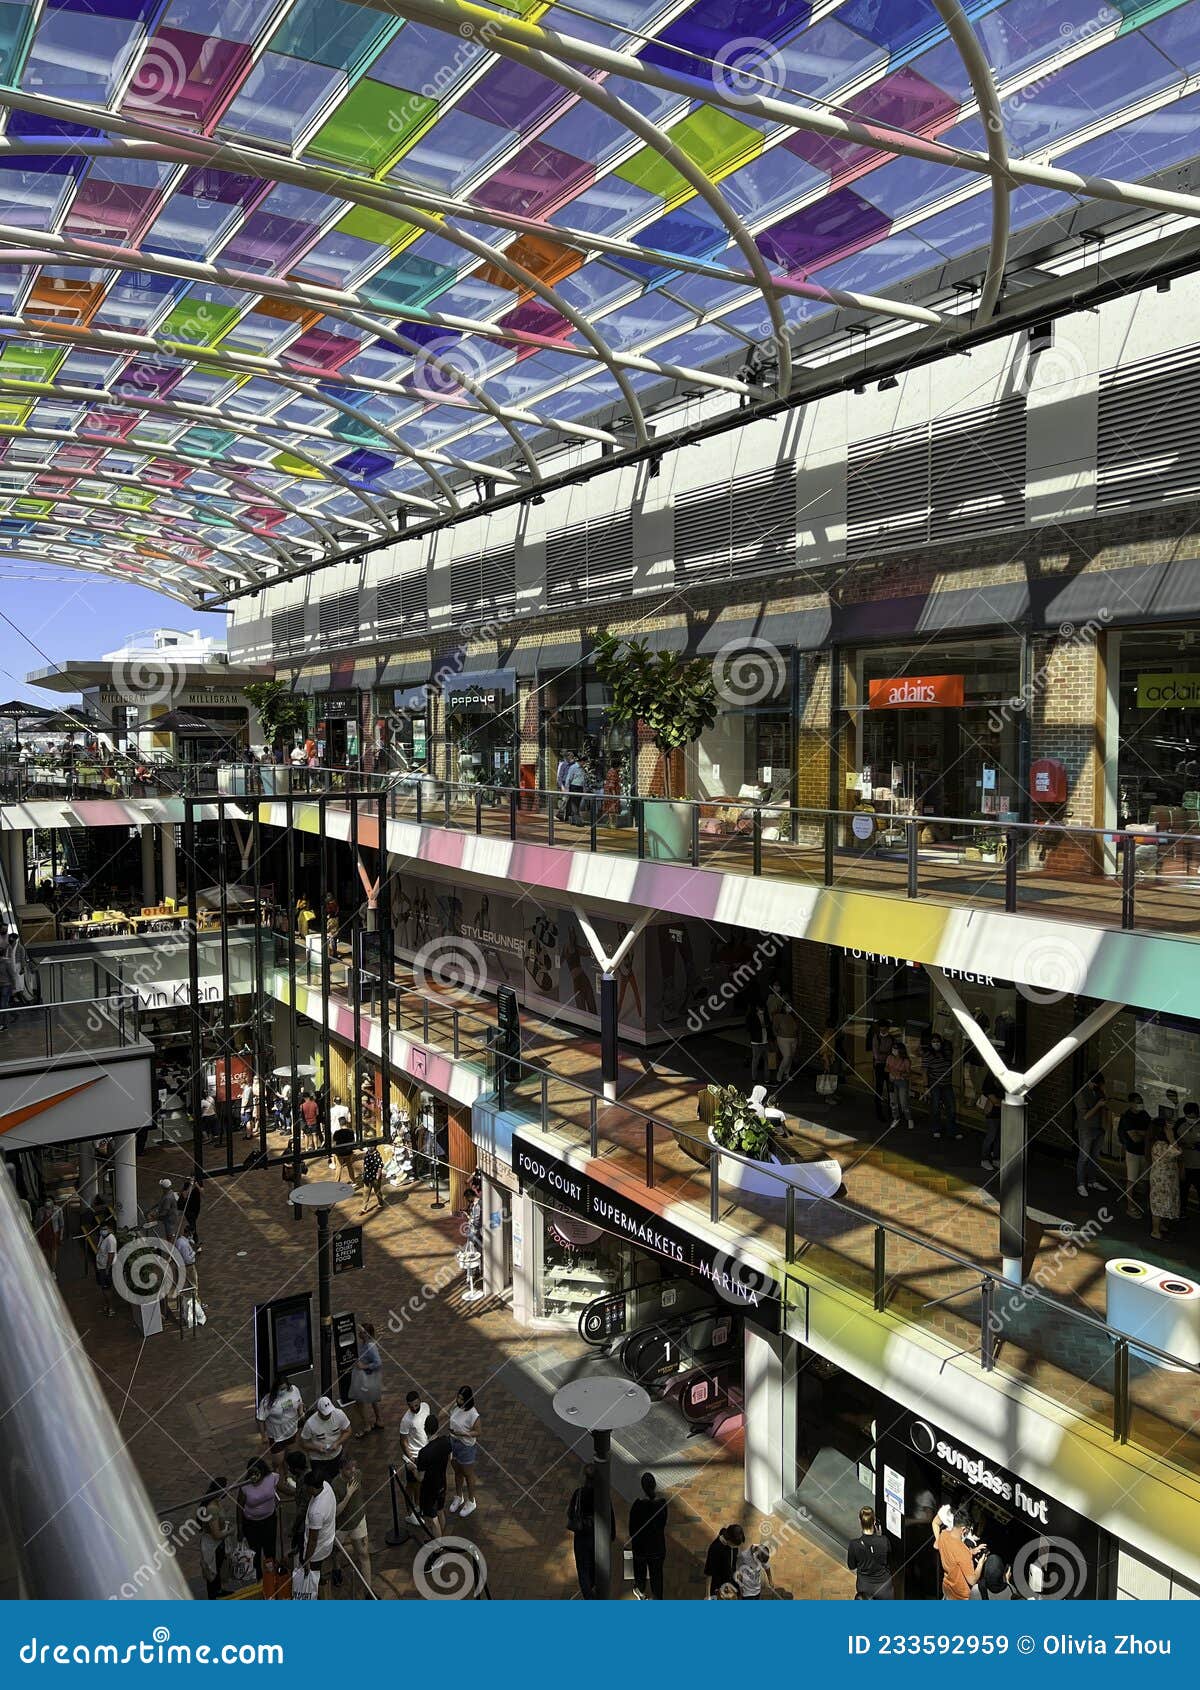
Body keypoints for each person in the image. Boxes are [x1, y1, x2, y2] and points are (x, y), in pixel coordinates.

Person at [566, 1463, 614, 1600]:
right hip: (598, 1535)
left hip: (582, 1536)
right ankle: (594, 1588)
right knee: (595, 1565)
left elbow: (571, 1513)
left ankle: (589, 1597)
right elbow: (609, 1515)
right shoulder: (602, 1496)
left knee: (583, 1569)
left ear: (585, 1477)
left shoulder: (579, 1493)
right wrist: (611, 1535)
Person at [333, 1454, 372, 1597]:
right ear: (341, 1470)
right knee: (336, 1551)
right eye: (349, 1469)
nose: (353, 1471)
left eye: (354, 1467)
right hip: (341, 1525)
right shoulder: (335, 1485)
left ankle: (368, 1591)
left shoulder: (358, 1474)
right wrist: (348, 1494)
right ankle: (336, 1569)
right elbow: (335, 1512)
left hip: (358, 1521)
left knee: (364, 1554)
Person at [236, 1458, 282, 1580]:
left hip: (269, 1521)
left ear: (262, 1471)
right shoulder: (244, 1485)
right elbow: (239, 1506)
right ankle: (259, 1578)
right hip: (251, 1525)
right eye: (251, 1473)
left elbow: (282, 1489)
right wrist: (240, 1529)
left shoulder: (272, 1477)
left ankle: (271, 1577)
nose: (253, 1476)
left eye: (256, 1473)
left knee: (270, 1551)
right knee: (254, 1552)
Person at [628, 1472, 667, 1600]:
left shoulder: (637, 1505)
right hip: (657, 1547)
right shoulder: (662, 1504)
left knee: (640, 1572)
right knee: (657, 1575)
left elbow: (632, 1529)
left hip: (640, 1548)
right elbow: (662, 1524)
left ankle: (640, 1591)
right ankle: (657, 1597)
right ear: (655, 1485)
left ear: (642, 1487)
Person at [932, 1507, 985, 1600]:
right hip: (960, 1596)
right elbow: (972, 1580)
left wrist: (971, 1551)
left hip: (947, 1588)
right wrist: (981, 1563)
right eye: (969, 1529)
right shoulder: (962, 1551)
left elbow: (952, 1554)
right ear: (964, 1529)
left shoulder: (943, 1534)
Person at [300, 1469, 337, 1600]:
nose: (305, 1488)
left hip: (316, 1551)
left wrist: (307, 1561)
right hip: (327, 1542)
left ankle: (322, 1596)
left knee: (315, 1578)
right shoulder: (326, 1485)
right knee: (320, 1574)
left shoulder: (316, 1511)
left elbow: (312, 1540)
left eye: (306, 1486)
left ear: (312, 1488)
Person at [416, 1411, 453, 1537]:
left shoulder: (423, 1453)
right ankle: (442, 1535)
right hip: (442, 1482)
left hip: (429, 1489)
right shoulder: (446, 1442)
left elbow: (420, 1477)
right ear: (437, 1427)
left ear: (425, 1429)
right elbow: (449, 1458)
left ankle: (438, 1545)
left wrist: (412, 1468)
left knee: (432, 1519)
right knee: (440, 1510)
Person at [258, 1374, 305, 1470]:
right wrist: (263, 1436)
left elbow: (299, 1402)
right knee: (278, 1461)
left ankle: (287, 1475)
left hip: (292, 1432)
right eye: (280, 1389)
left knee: (289, 1458)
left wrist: (301, 1412)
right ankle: (276, 1476)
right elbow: (260, 1419)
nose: (282, 1391)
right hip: (277, 1437)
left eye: (284, 1388)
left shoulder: (294, 1390)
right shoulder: (268, 1401)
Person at [1118, 1091, 1153, 1219]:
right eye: (1137, 1102)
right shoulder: (1127, 1117)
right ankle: (1130, 1207)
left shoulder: (1144, 1114)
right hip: (1133, 1152)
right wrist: (1145, 1134)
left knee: (1147, 1180)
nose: (1140, 1104)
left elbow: (1151, 1131)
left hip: (1144, 1152)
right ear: (1131, 1104)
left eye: (1141, 1101)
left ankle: (1149, 1204)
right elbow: (1135, 1139)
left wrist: (1141, 1133)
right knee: (1131, 1180)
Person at [846, 1505, 894, 1599]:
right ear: (874, 1522)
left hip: (865, 1586)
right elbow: (889, 1561)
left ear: (860, 1522)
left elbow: (851, 1566)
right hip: (884, 1587)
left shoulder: (854, 1544)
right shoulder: (884, 1541)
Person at [300, 1395, 351, 1482]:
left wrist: (337, 1443)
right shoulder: (310, 1423)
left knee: (337, 1480)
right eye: (325, 1414)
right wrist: (317, 1448)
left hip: (336, 1455)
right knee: (321, 1482)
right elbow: (303, 1443)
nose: (328, 1415)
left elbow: (348, 1430)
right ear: (319, 1411)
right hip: (318, 1460)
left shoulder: (339, 1414)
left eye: (329, 1412)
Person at [398, 1390, 430, 1525]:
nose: (414, 1408)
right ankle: (411, 1513)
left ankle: (418, 1506)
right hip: (414, 1456)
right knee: (412, 1484)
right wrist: (410, 1456)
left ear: (420, 1401)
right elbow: (403, 1440)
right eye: (411, 1406)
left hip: (425, 1452)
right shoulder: (406, 1420)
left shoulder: (426, 1407)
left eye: (416, 1405)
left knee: (421, 1483)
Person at [448, 1384, 480, 1518]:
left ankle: (471, 1500)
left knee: (468, 1473)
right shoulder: (456, 1406)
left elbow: (478, 1432)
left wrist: (463, 1434)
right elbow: (445, 1413)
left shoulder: (473, 1414)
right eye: (458, 1397)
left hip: (466, 1446)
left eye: (461, 1399)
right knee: (457, 1471)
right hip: (454, 1443)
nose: (458, 1400)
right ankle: (459, 1496)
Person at [1075, 1070, 1109, 1198]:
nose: (1098, 1087)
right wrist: (1098, 1105)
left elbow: (1106, 1105)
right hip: (1086, 1129)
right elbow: (1085, 1116)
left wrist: (1104, 1093)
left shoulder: (1099, 1091)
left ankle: (1092, 1181)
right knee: (1084, 1157)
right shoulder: (1081, 1095)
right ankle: (1080, 1184)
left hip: (1099, 1128)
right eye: (1097, 1084)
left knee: (1095, 1156)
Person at [1148, 1118, 1182, 1240]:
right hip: (1162, 1178)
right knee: (1159, 1203)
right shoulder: (1160, 1145)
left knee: (1162, 1201)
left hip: (1165, 1176)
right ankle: (1155, 1231)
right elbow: (1177, 1151)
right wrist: (1171, 1137)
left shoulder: (1158, 1143)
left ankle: (1160, 1226)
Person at [348, 1321, 384, 1437]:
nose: (359, 1333)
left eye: (362, 1332)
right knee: (372, 1399)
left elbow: (378, 1363)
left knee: (359, 1402)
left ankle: (366, 1425)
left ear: (367, 1334)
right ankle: (378, 1420)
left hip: (365, 1378)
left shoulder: (369, 1346)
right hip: (367, 1377)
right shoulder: (365, 1344)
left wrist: (364, 1366)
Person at [197, 1479, 230, 1599]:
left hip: (217, 1544)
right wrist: (229, 1532)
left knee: (218, 1569)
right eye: (225, 1488)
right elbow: (216, 1534)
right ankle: (213, 1596)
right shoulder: (212, 1508)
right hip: (213, 1545)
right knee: (213, 1571)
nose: (227, 1490)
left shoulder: (216, 1502)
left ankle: (218, 1590)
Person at [923, 1035, 960, 1140]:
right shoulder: (928, 1055)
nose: (936, 1043)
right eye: (933, 1042)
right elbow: (924, 1072)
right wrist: (926, 1087)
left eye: (938, 1041)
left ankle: (951, 1130)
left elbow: (952, 1042)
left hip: (947, 1084)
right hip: (935, 1085)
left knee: (952, 1109)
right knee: (935, 1109)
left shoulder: (947, 1053)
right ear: (930, 1043)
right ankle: (936, 1129)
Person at [703, 1523, 745, 1598]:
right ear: (728, 1539)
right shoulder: (715, 1549)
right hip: (719, 1584)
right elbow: (709, 1573)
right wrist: (708, 1596)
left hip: (731, 1580)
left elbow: (733, 1564)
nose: (735, 1547)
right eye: (734, 1545)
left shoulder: (733, 1543)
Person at [1176, 1101, 1200, 1214]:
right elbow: (1174, 1141)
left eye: (1193, 1117)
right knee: (1183, 1190)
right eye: (1189, 1117)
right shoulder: (1180, 1123)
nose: (1191, 1119)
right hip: (1184, 1165)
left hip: (1198, 1165)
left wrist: (1193, 1145)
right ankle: (1182, 1210)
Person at [979, 1069, 1004, 1171]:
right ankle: (984, 1159)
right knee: (991, 1135)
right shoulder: (990, 1081)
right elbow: (994, 1100)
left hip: (1000, 1111)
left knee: (998, 1136)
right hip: (992, 1112)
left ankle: (996, 1158)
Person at [886, 1039, 914, 1130]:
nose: (894, 1050)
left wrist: (899, 1074)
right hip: (891, 1082)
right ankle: (896, 1118)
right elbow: (886, 1068)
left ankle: (909, 1119)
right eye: (893, 1048)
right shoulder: (890, 1057)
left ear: (901, 1050)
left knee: (903, 1102)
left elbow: (909, 1073)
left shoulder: (906, 1060)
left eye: (896, 1048)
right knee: (893, 1102)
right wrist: (894, 1072)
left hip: (902, 1082)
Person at [771, 999, 799, 1086]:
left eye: (791, 1007)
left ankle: (786, 1074)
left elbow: (797, 1028)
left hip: (793, 1039)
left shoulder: (792, 1017)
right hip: (783, 1038)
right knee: (787, 1056)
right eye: (788, 1006)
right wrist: (777, 1035)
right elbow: (774, 1028)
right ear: (784, 1007)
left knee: (790, 1057)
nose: (790, 1008)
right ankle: (779, 1076)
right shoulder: (778, 1016)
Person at [870, 1021, 893, 1122]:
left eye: (884, 1030)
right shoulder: (876, 1037)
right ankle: (879, 1113)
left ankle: (891, 1112)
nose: (882, 1031)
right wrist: (886, 1055)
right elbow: (877, 1055)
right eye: (881, 1030)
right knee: (879, 1088)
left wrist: (885, 1055)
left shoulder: (892, 1038)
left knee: (890, 1089)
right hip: (879, 1066)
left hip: (889, 1066)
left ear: (888, 1029)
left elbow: (893, 1053)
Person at [746, 1000, 772, 1087]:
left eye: (763, 1009)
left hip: (765, 1041)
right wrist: (760, 1026)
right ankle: (754, 1079)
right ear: (757, 1008)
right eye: (761, 1009)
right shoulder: (751, 1016)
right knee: (755, 1061)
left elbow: (769, 1025)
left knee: (768, 1061)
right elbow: (749, 1028)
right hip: (756, 1042)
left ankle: (767, 1080)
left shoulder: (765, 1015)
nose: (762, 1011)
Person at [94, 1220, 116, 1317]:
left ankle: (111, 1308)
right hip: (100, 1266)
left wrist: (107, 1268)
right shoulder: (102, 1237)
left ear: (110, 1229)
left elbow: (111, 1255)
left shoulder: (111, 1240)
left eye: (105, 1229)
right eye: (102, 1229)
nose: (103, 1231)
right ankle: (107, 1305)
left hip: (105, 1268)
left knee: (106, 1288)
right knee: (103, 1288)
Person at [360, 1143, 386, 1214]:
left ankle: (381, 1203)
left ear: (374, 1146)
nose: (369, 1147)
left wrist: (377, 1177)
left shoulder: (377, 1155)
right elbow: (364, 1165)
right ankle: (364, 1208)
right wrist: (363, 1174)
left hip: (374, 1178)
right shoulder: (366, 1154)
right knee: (366, 1192)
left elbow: (380, 1167)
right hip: (367, 1177)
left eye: (371, 1146)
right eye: (368, 1146)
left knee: (377, 1191)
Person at [181, 1172, 203, 1247]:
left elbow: (202, 1192)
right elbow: (184, 1195)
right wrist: (190, 1185)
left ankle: (188, 1236)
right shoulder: (187, 1185)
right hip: (188, 1209)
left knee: (192, 1224)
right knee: (193, 1225)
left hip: (196, 1208)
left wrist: (196, 1185)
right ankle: (195, 1241)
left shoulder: (198, 1183)